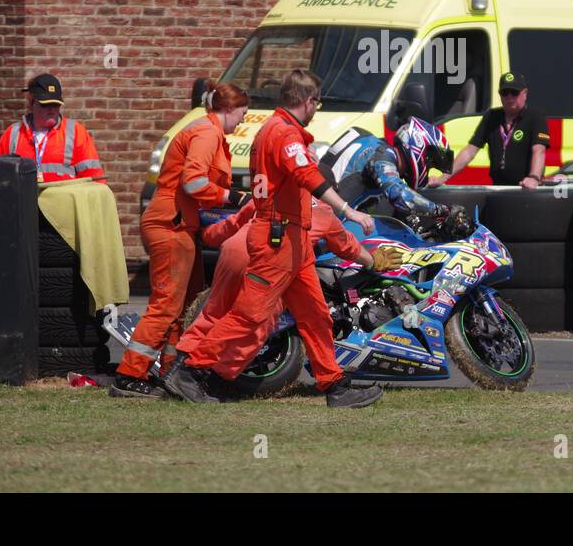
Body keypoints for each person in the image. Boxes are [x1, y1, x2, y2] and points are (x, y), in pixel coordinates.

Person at [164, 69, 383, 409]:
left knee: (315, 315)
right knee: (250, 316)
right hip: (278, 240)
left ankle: (334, 385)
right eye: (317, 103)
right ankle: (192, 369)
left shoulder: (274, 131)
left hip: (292, 241)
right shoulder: (284, 134)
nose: (316, 110)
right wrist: (348, 211)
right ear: (309, 101)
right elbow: (306, 174)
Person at [110, 81, 250, 398]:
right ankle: (129, 375)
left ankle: (170, 370)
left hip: (180, 226)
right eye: (243, 112)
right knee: (165, 306)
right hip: (170, 226)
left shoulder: (207, 131)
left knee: (184, 307)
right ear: (229, 109)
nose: (244, 119)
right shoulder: (206, 133)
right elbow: (195, 182)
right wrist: (234, 198)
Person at [177, 197, 381, 357]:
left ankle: (181, 363)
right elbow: (347, 246)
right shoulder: (323, 211)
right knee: (255, 323)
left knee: (212, 314)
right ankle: (205, 371)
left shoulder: (271, 195)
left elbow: (234, 221)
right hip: (264, 260)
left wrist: (207, 236)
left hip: (232, 250)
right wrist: (373, 262)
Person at [320, 118, 472, 240]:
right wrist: (443, 211)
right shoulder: (382, 156)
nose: (428, 165)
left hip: (322, 219)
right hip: (320, 231)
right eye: (430, 160)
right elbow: (399, 194)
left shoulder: (370, 143)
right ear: (417, 146)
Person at [429, 72, 550, 189]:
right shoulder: (492, 116)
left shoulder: (535, 116)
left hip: (525, 190)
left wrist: (534, 177)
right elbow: (469, 152)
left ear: (525, 93)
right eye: (505, 93)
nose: (509, 97)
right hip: (498, 189)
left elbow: (539, 150)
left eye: (514, 92)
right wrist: (442, 178)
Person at [0, 73, 105, 183]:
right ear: (31, 103)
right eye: (45, 104)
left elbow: (95, 179)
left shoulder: (76, 132)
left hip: (63, 200)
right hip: (23, 200)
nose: (51, 109)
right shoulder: (13, 134)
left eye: (56, 104)